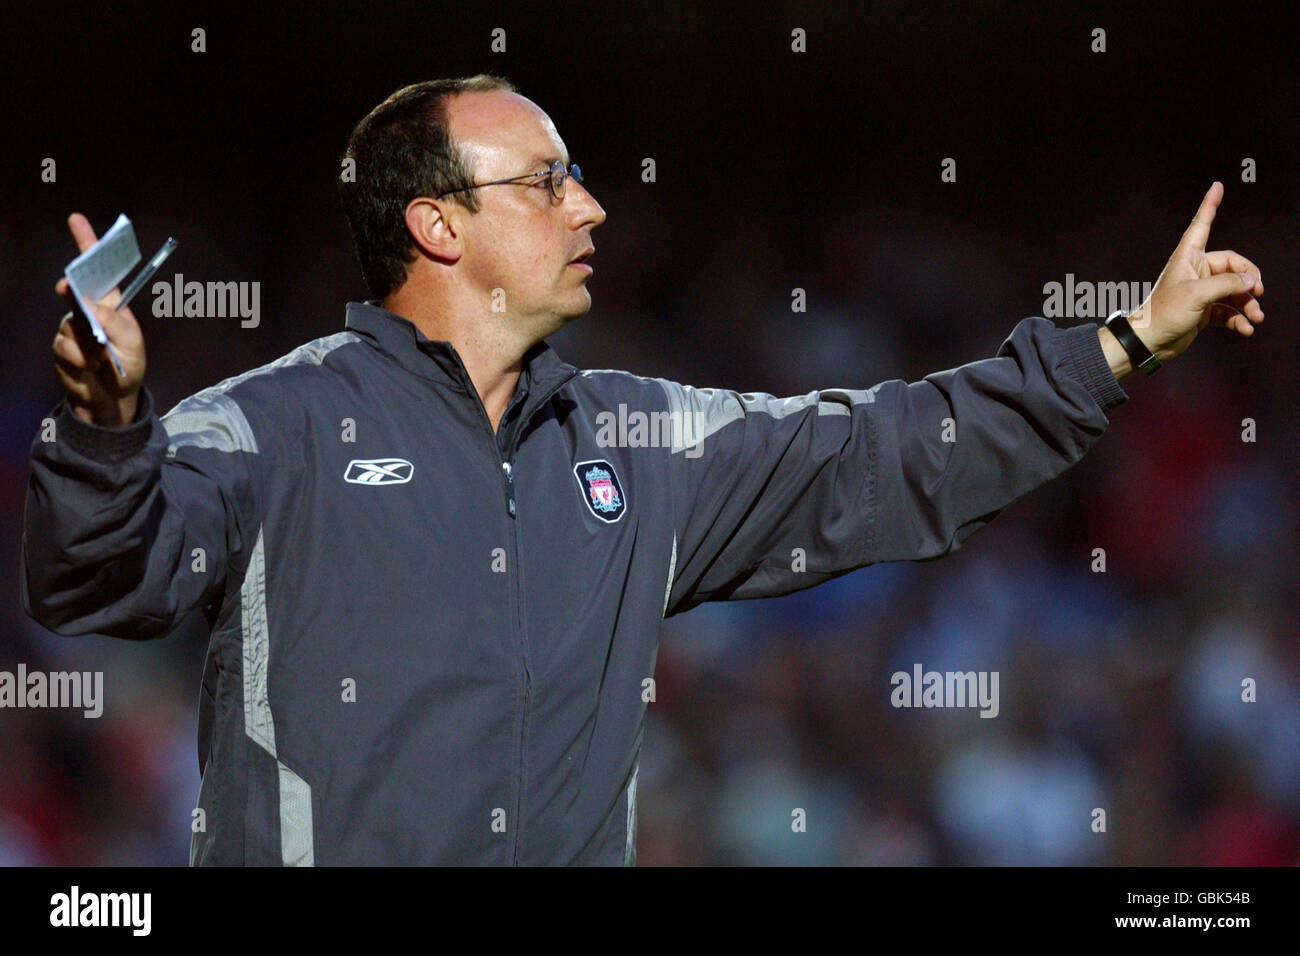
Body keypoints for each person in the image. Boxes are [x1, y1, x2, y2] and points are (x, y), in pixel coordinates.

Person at [21, 74, 1265, 866]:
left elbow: (881, 452)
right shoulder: (272, 426)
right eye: (547, 180)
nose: (593, 206)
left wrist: (1115, 348)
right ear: (437, 225)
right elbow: (98, 581)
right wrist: (102, 428)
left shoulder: (637, 438)